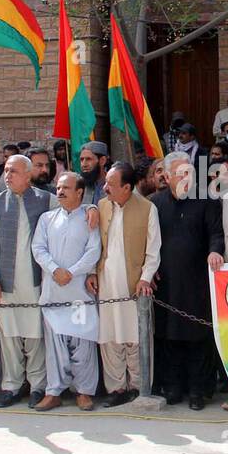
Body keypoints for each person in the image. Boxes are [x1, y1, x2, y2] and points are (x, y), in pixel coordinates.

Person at [152, 151, 225, 410]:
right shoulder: (155, 203)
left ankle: (198, 390)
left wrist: (215, 251)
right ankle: (173, 387)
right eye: (181, 174)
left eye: (190, 174)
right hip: (166, 283)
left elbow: (216, 233)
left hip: (198, 282)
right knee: (169, 335)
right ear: (167, 177)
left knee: (197, 336)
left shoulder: (207, 200)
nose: (186, 179)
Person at [0, 153, 52, 408]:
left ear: (28, 174)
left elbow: (69, 210)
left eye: (14, 171)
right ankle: (11, 385)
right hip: (5, 283)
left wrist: (89, 210)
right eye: (7, 170)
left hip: (35, 282)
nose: (7, 175)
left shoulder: (45, 200)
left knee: (35, 336)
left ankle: (37, 385)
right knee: (9, 336)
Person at [90, 161, 160, 408]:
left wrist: (145, 277)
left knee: (135, 336)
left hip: (134, 286)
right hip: (106, 284)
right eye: (106, 182)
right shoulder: (101, 206)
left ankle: (137, 386)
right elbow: (94, 244)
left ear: (127, 187)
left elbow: (153, 250)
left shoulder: (147, 209)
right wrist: (91, 272)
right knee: (110, 337)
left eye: (111, 183)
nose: (105, 187)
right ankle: (116, 388)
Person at [31, 171, 102, 411]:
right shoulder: (47, 218)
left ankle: (84, 392)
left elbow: (93, 250)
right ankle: (54, 391)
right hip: (53, 292)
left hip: (79, 292)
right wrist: (54, 270)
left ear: (80, 192)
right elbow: (38, 248)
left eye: (66, 188)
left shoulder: (89, 217)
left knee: (82, 344)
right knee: (55, 347)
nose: (59, 191)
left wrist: (71, 272)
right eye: (58, 187)